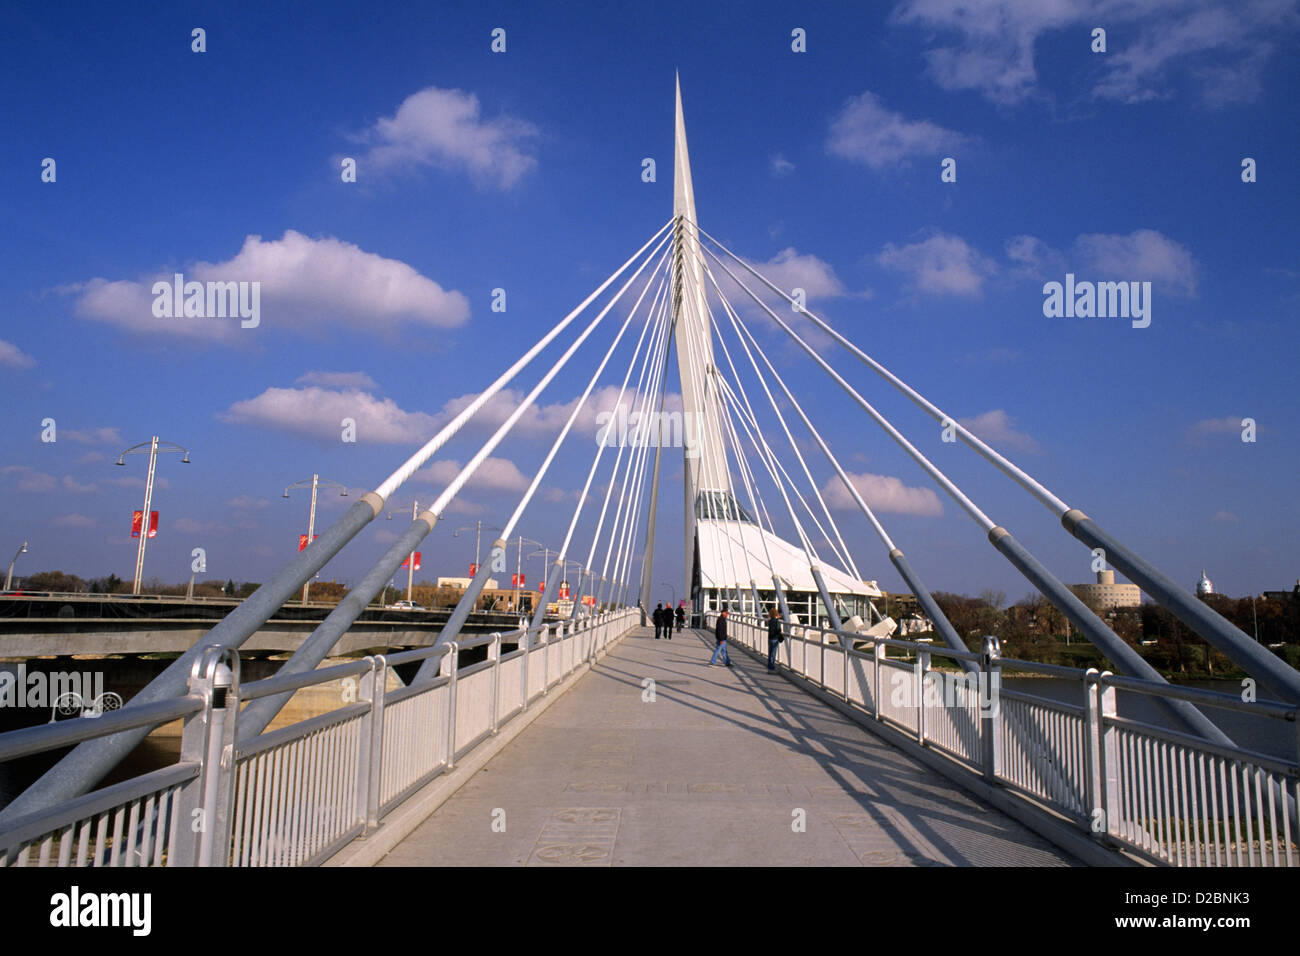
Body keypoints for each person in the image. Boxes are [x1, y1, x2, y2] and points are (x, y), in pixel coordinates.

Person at [766, 605, 784, 671]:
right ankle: (771, 667)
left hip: (770, 638)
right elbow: (778, 630)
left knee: (770, 652)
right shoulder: (777, 622)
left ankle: (769, 665)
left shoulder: (770, 621)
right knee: (773, 653)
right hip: (775, 639)